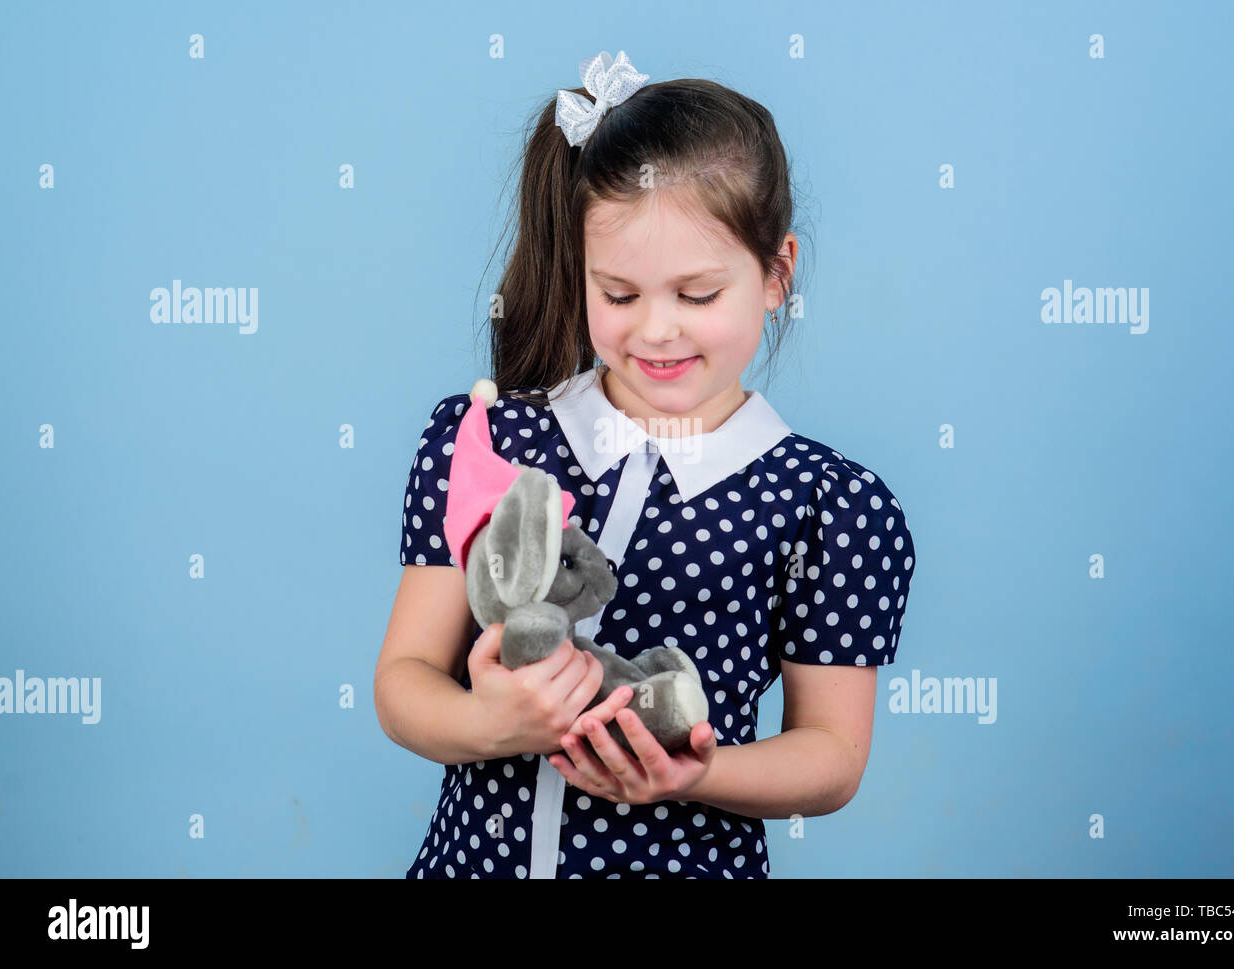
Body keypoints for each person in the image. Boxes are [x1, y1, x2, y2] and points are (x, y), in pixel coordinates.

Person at [375, 50, 916, 878]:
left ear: (777, 276)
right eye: (620, 295)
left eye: (698, 295)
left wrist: (695, 774)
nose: (657, 331)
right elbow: (404, 679)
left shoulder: (827, 506)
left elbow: (833, 752)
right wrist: (491, 723)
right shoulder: (488, 440)